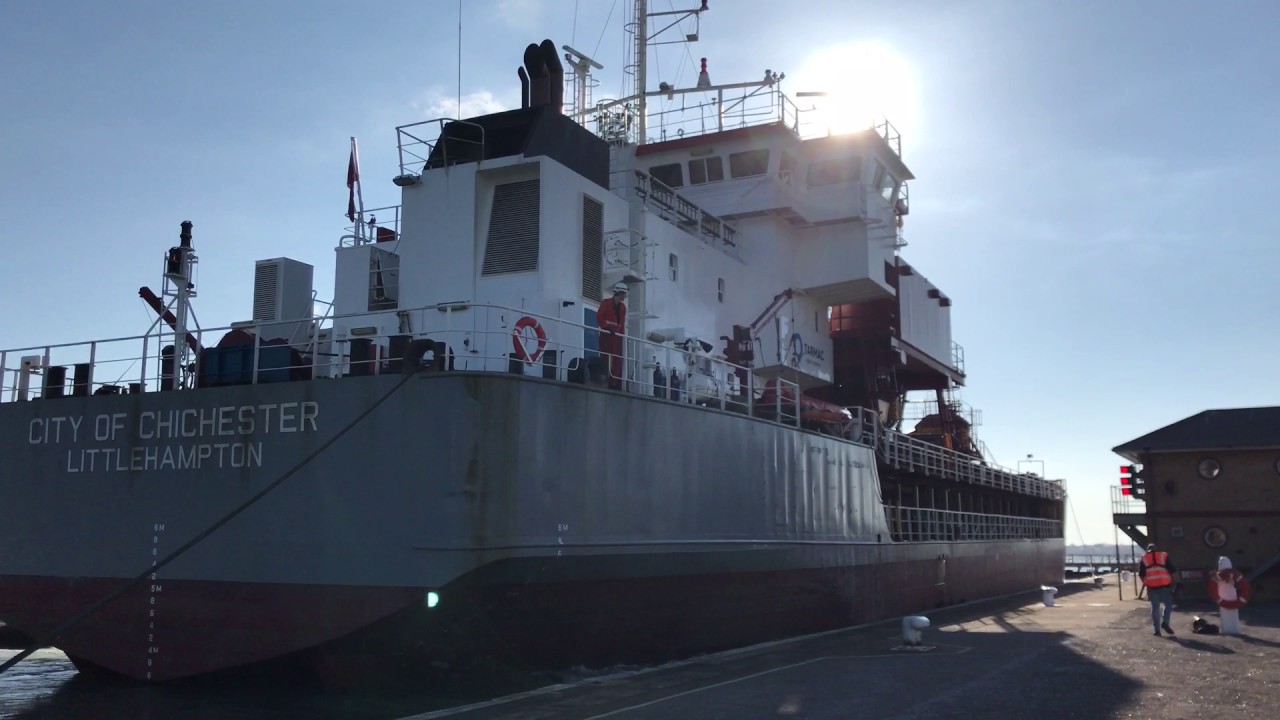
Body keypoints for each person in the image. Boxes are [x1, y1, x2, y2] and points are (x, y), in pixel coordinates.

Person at [1139, 542, 1178, 636]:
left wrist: (1146, 582)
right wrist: (1175, 583)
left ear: (1147, 550)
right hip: (1165, 585)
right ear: (1156, 549)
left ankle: (1157, 630)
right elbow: (1173, 571)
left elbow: (1141, 574)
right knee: (1168, 604)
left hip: (1152, 586)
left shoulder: (1144, 558)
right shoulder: (1163, 556)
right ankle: (1165, 622)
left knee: (1155, 607)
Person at [596, 283, 628, 389]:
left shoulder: (623, 307)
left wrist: (622, 337)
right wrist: (606, 327)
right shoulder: (606, 303)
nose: (625, 296)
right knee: (604, 357)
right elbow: (599, 317)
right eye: (624, 293)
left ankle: (613, 383)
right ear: (620, 293)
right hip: (606, 334)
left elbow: (621, 324)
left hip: (617, 336)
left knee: (617, 359)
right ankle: (603, 379)